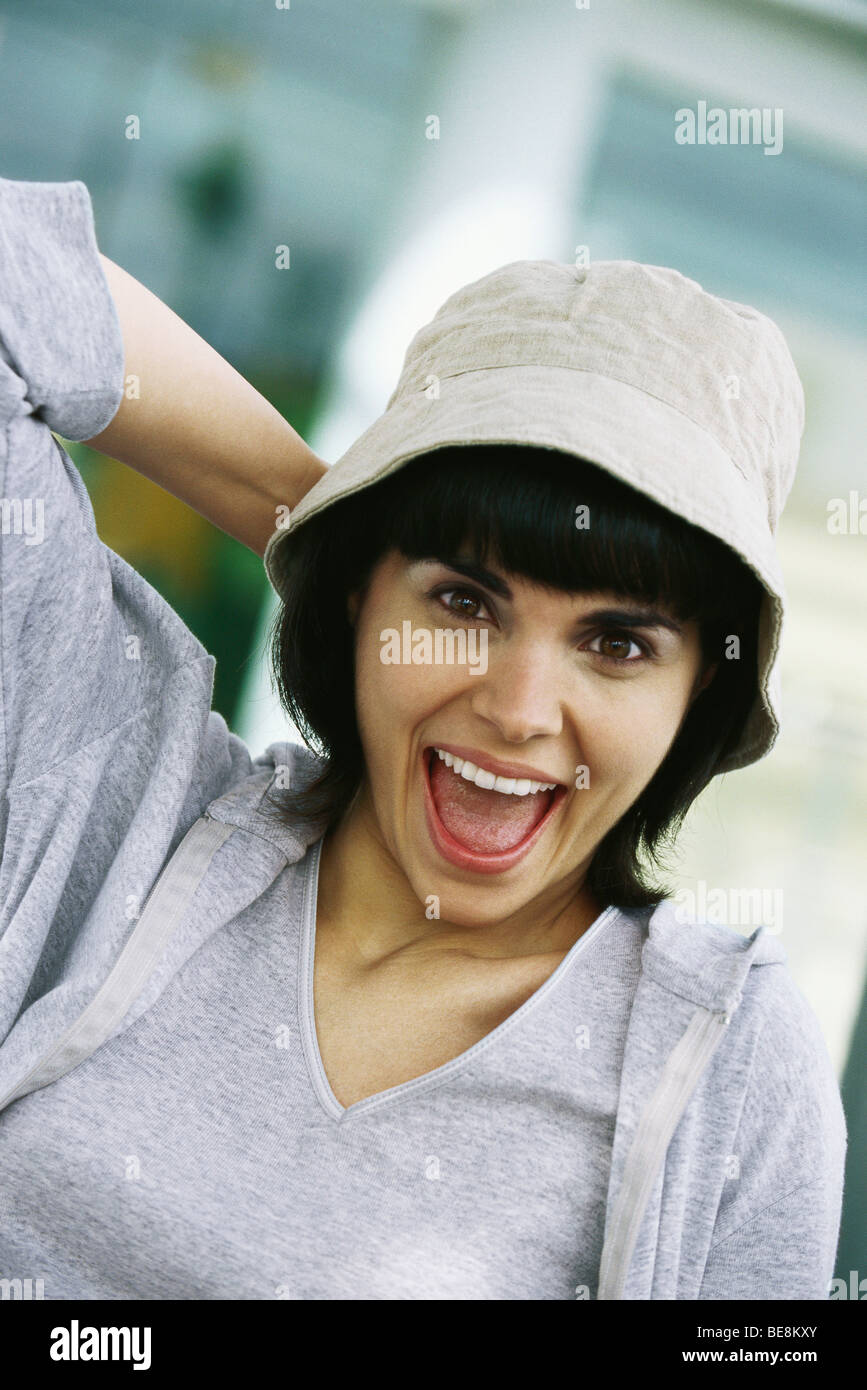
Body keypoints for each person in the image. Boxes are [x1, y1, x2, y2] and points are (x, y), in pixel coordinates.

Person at [0, 176, 846, 1300]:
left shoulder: (721, 1064)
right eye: (462, 604)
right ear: (363, 600)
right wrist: (324, 526)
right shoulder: (121, 800)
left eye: (619, 644)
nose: (518, 706)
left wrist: (407, 558)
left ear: (701, 699)